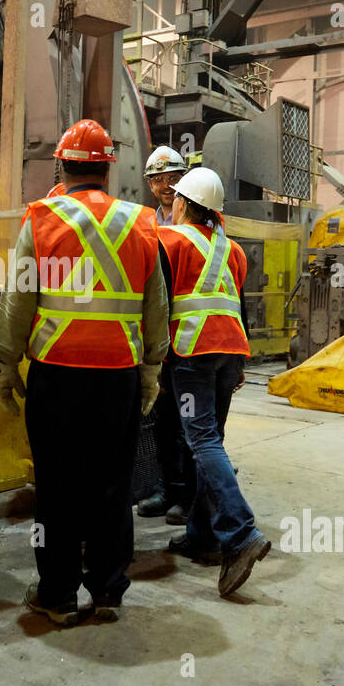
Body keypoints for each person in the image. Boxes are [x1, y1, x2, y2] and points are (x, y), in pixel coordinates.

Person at [0, 119, 170, 625]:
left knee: (56, 487)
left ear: (61, 167)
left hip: (58, 377)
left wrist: (6, 362)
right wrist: (152, 367)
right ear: (109, 170)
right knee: (113, 485)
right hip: (117, 376)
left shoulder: (43, 219)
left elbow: (17, 300)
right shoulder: (140, 222)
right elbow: (155, 305)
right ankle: (109, 590)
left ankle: (58, 594)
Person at [156, 167, 271, 597]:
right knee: (211, 441)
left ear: (182, 203)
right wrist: (239, 363)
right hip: (229, 352)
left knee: (201, 440)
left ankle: (240, 534)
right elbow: (235, 305)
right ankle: (202, 537)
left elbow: (158, 303)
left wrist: (153, 361)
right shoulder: (233, 251)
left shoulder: (168, 241)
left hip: (192, 353)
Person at [137, 144, 196, 525]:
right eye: (158, 179)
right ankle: (165, 488)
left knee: (188, 422)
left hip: (192, 334)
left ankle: (188, 496)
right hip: (160, 332)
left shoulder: (200, 220)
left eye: (173, 178)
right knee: (162, 416)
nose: (165, 186)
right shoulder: (149, 223)